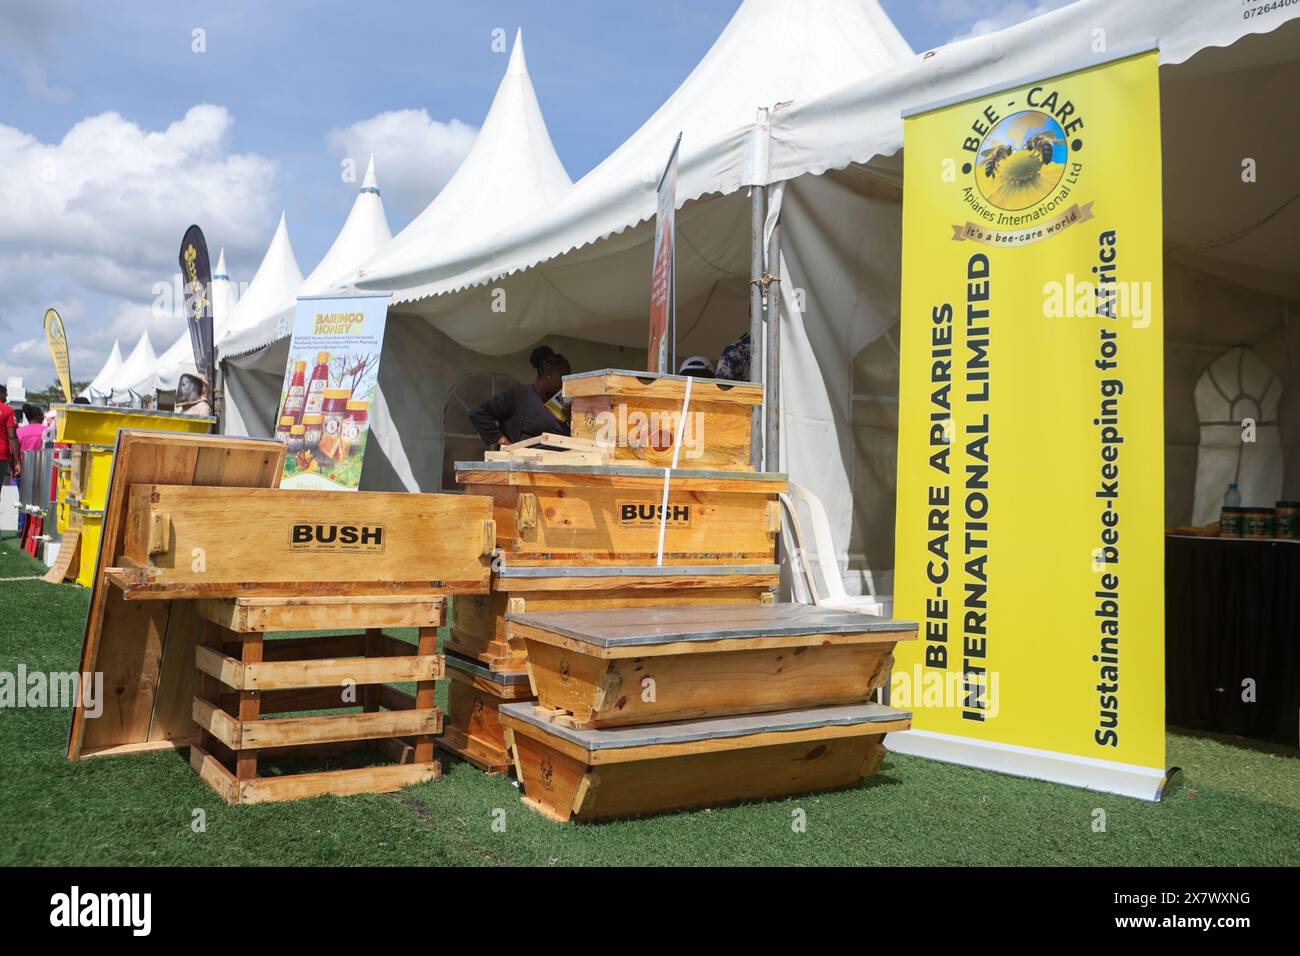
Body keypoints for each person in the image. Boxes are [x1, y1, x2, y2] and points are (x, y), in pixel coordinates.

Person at [470, 346, 571, 448]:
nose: (564, 383)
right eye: (563, 376)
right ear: (549, 372)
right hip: (528, 461)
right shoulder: (519, 396)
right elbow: (479, 413)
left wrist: (570, 419)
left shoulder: (556, 402)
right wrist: (501, 439)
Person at [0, 384, 19, 482]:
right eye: (5, 396)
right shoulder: (8, 410)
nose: (6, 399)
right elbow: (12, 436)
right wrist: (17, 461)